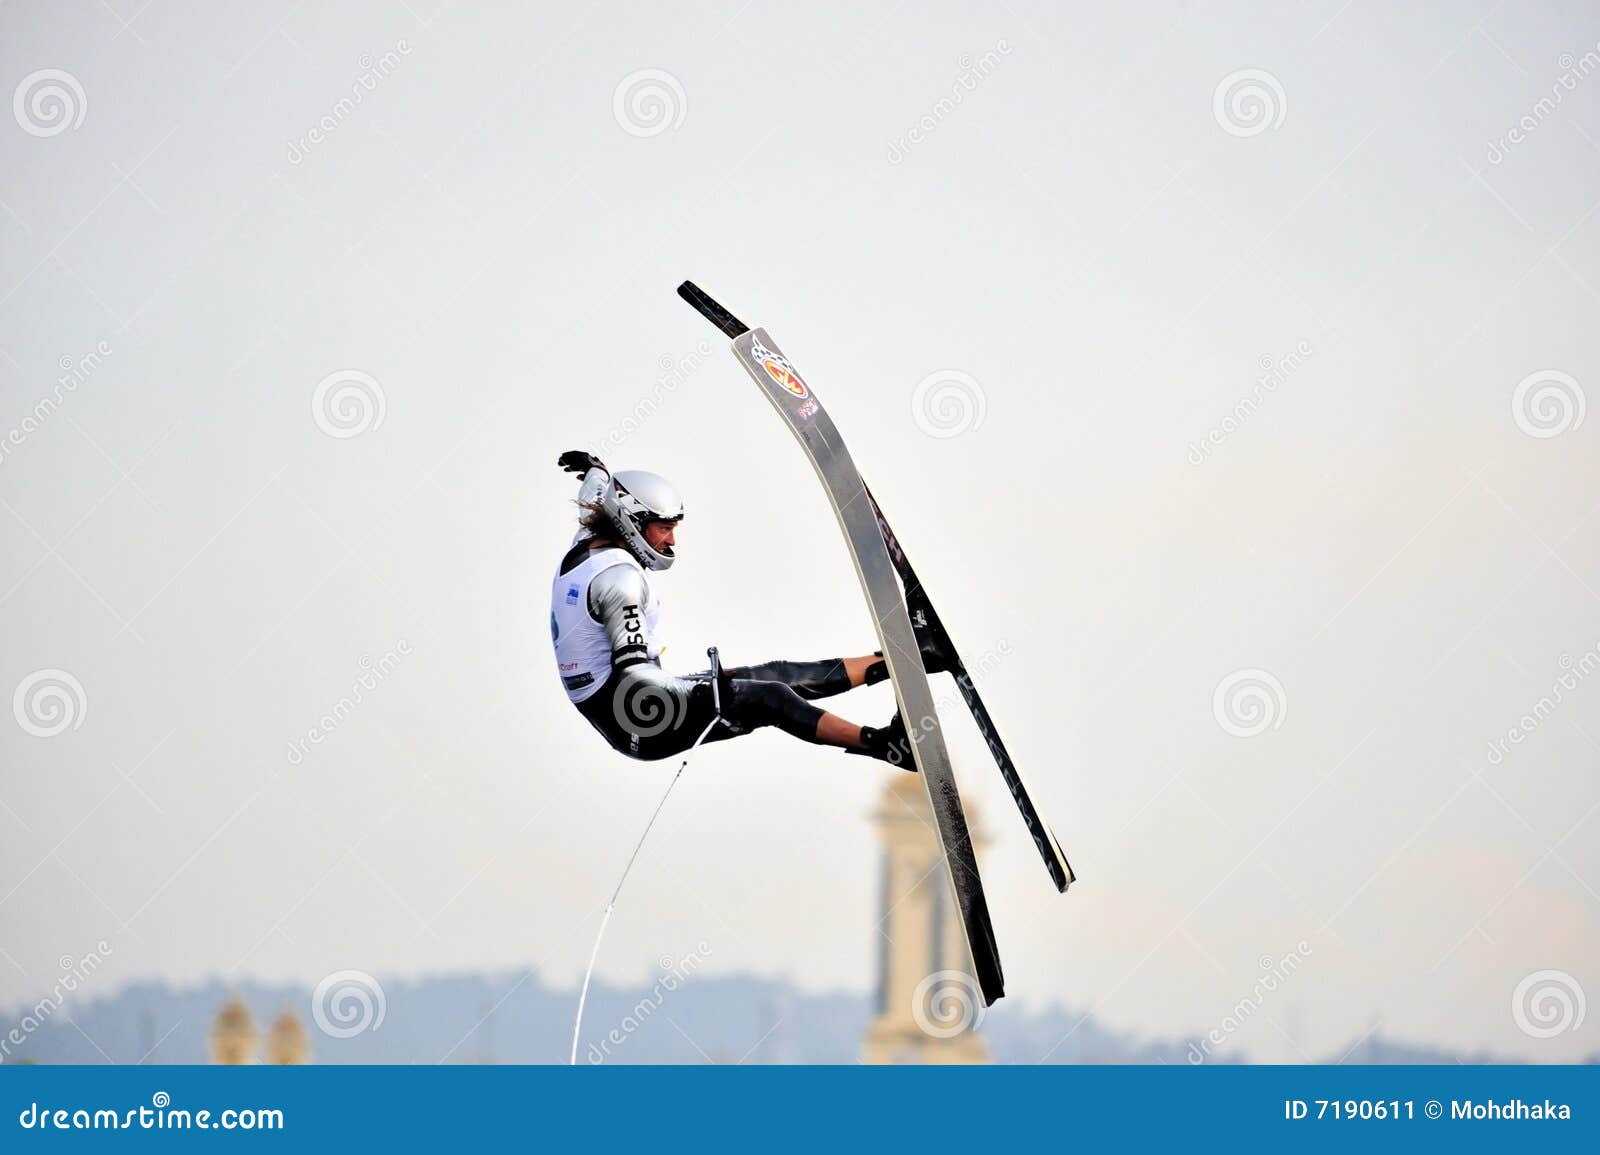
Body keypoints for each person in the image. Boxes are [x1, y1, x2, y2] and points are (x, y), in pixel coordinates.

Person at [550, 451, 945, 767]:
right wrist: (706, 691)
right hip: (639, 718)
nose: (671, 541)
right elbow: (636, 679)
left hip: (625, 704)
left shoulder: (590, 538)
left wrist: (596, 469)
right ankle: (886, 746)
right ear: (632, 520)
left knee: (774, 673)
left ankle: (909, 657)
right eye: (664, 528)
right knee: (768, 697)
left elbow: (596, 498)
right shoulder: (620, 582)